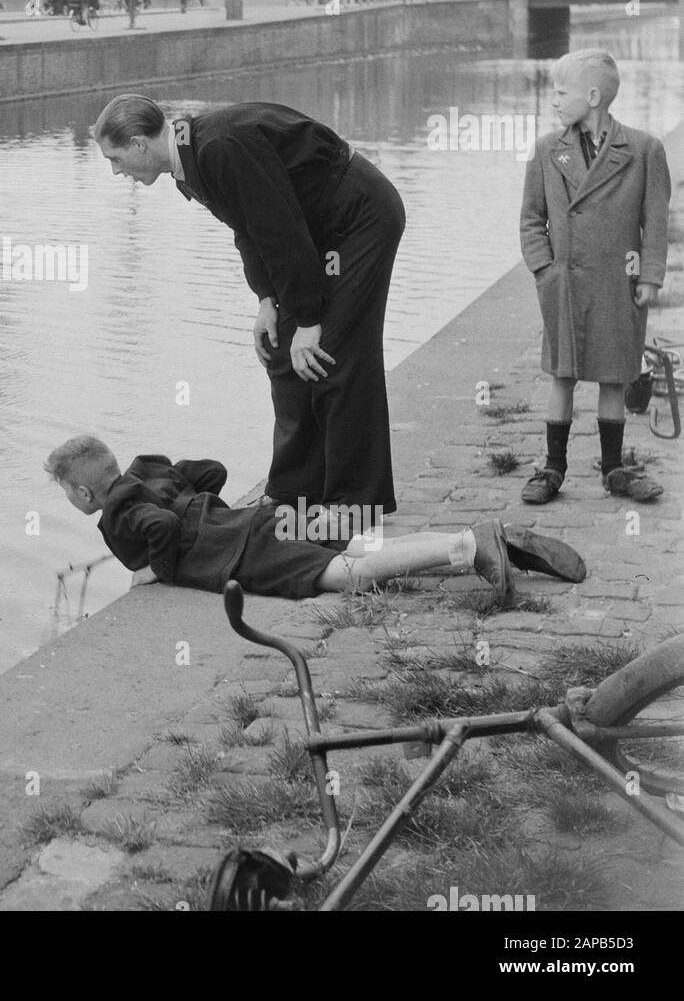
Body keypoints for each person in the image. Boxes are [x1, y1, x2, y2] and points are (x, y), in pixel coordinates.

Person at [93, 95, 406, 525]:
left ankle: (353, 506)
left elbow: (280, 230)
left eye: (115, 158)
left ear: (138, 144)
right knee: (282, 352)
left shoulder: (218, 148)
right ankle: (294, 494)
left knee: (334, 354)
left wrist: (310, 320)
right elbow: (249, 226)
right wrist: (267, 300)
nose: (116, 171)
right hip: (316, 226)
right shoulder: (189, 157)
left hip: (358, 218)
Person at [45, 437, 587, 603]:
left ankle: (471, 547)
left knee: (350, 577)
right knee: (361, 553)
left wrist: (159, 570)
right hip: (262, 519)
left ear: (83, 491)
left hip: (247, 554)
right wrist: (201, 510)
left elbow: (158, 531)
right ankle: (481, 543)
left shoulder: (117, 513)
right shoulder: (148, 469)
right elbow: (211, 469)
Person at [519, 49, 672, 504]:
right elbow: (531, 217)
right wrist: (544, 269)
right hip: (565, 283)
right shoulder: (548, 150)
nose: (554, 102)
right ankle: (552, 468)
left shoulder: (644, 150)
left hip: (617, 283)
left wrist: (649, 277)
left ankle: (614, 469)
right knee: (562, 376)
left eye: (561, 93)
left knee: (614, 376)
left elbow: (656, 222)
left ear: (592, 96)